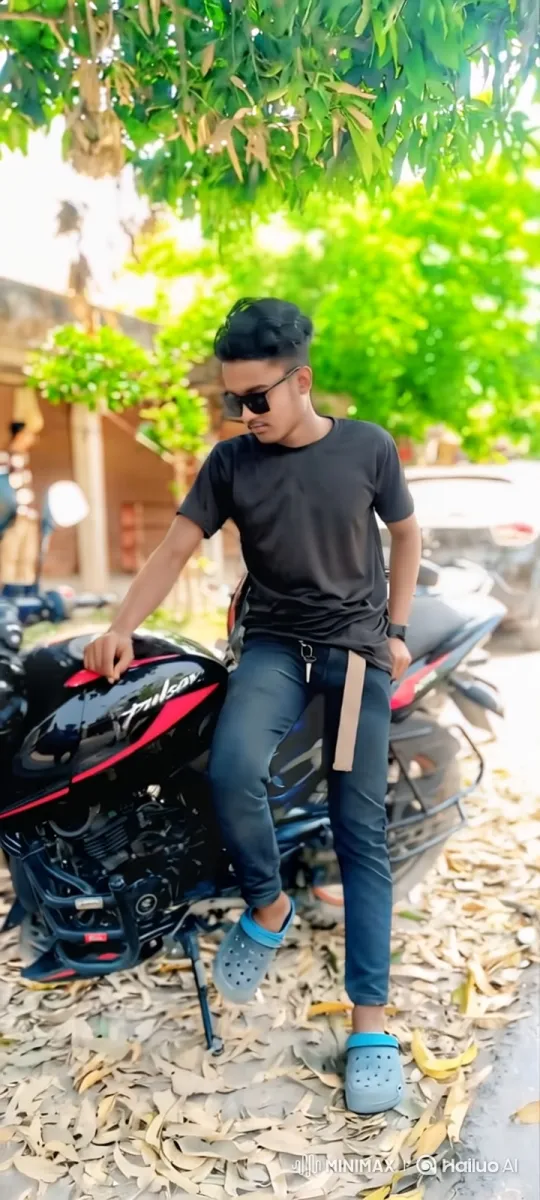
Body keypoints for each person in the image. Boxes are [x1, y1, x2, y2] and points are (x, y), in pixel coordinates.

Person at [84, 298, 422, 1114]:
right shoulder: (231, 464)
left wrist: (397, 629)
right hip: (273, 648)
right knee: (232, 768)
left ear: (300, 382)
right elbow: (174, 548)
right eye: (233, 401)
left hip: (352, 658)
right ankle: (267, 904)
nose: (245, 414)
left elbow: (407, 534)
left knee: (359, 831)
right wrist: (120, 626)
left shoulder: (368, 448)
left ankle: (370, 1026)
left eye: (258, 398)